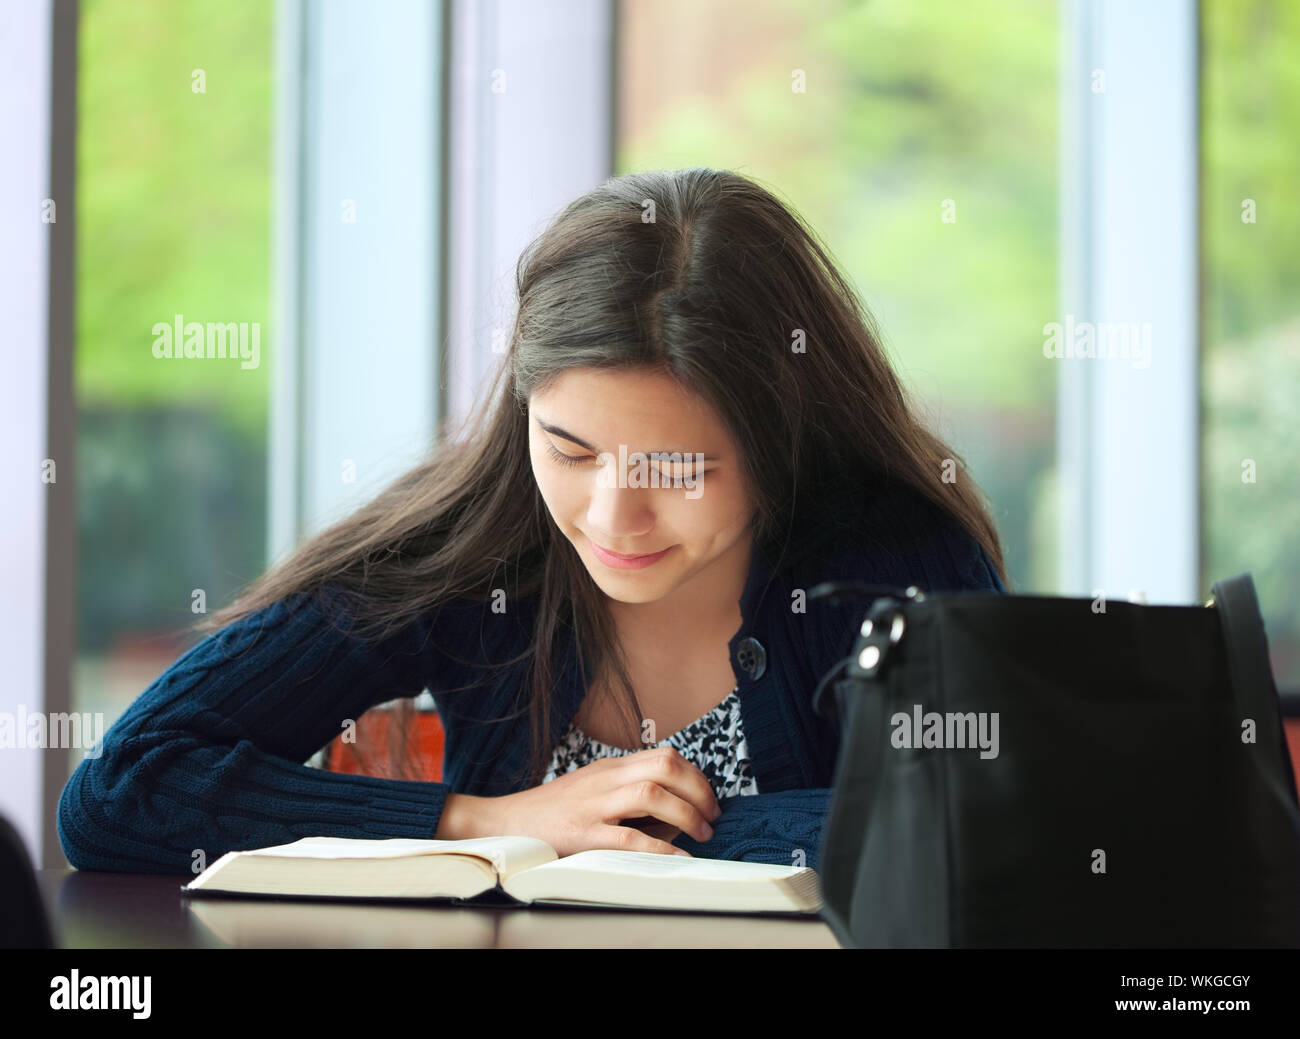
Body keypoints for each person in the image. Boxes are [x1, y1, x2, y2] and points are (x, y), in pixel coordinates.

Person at [58, 167, 1008, 875]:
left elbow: (988, 823)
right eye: (570, 449)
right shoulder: (465, 550)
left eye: (675, 468)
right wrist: (490, 822)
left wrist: (649, 835)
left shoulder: (895, 557)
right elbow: (120, 790)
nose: (612, 516)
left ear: (782, 440)